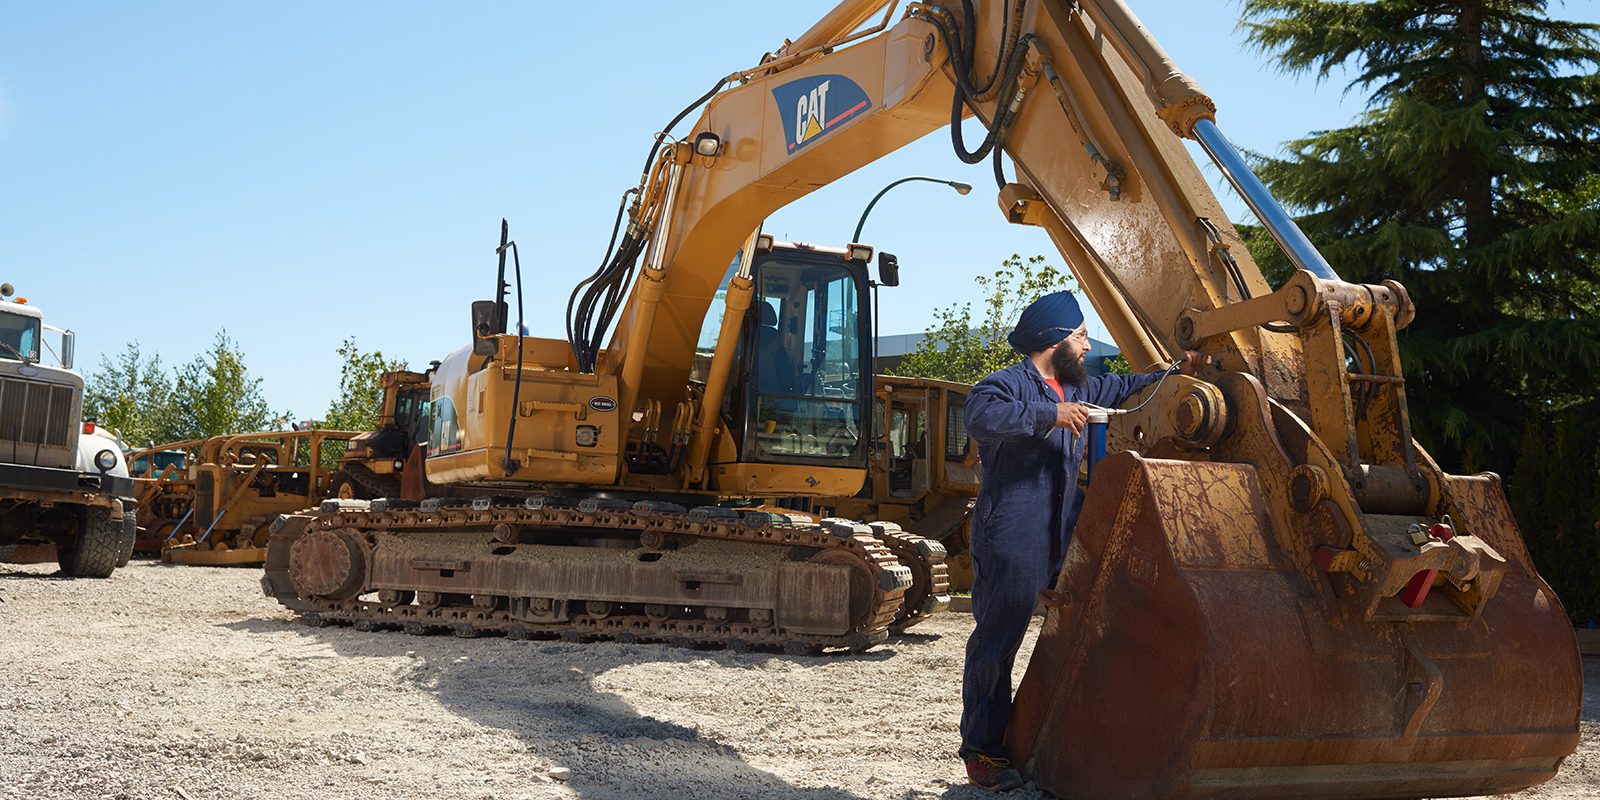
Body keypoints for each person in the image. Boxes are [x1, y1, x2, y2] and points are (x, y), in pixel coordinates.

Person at [958, 290, 1207, 792]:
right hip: (1011, 539)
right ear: (1055, 341)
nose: (1087, 344)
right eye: (1080, 336)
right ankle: (981, 752)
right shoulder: (1004, 386)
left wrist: (1177, 372)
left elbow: (1128, 385)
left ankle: (1050, 739)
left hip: (1061, 535)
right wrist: (1047, 417)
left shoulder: (1077, 388)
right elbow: (978, 417)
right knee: (998, 641)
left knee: (1087, 625)